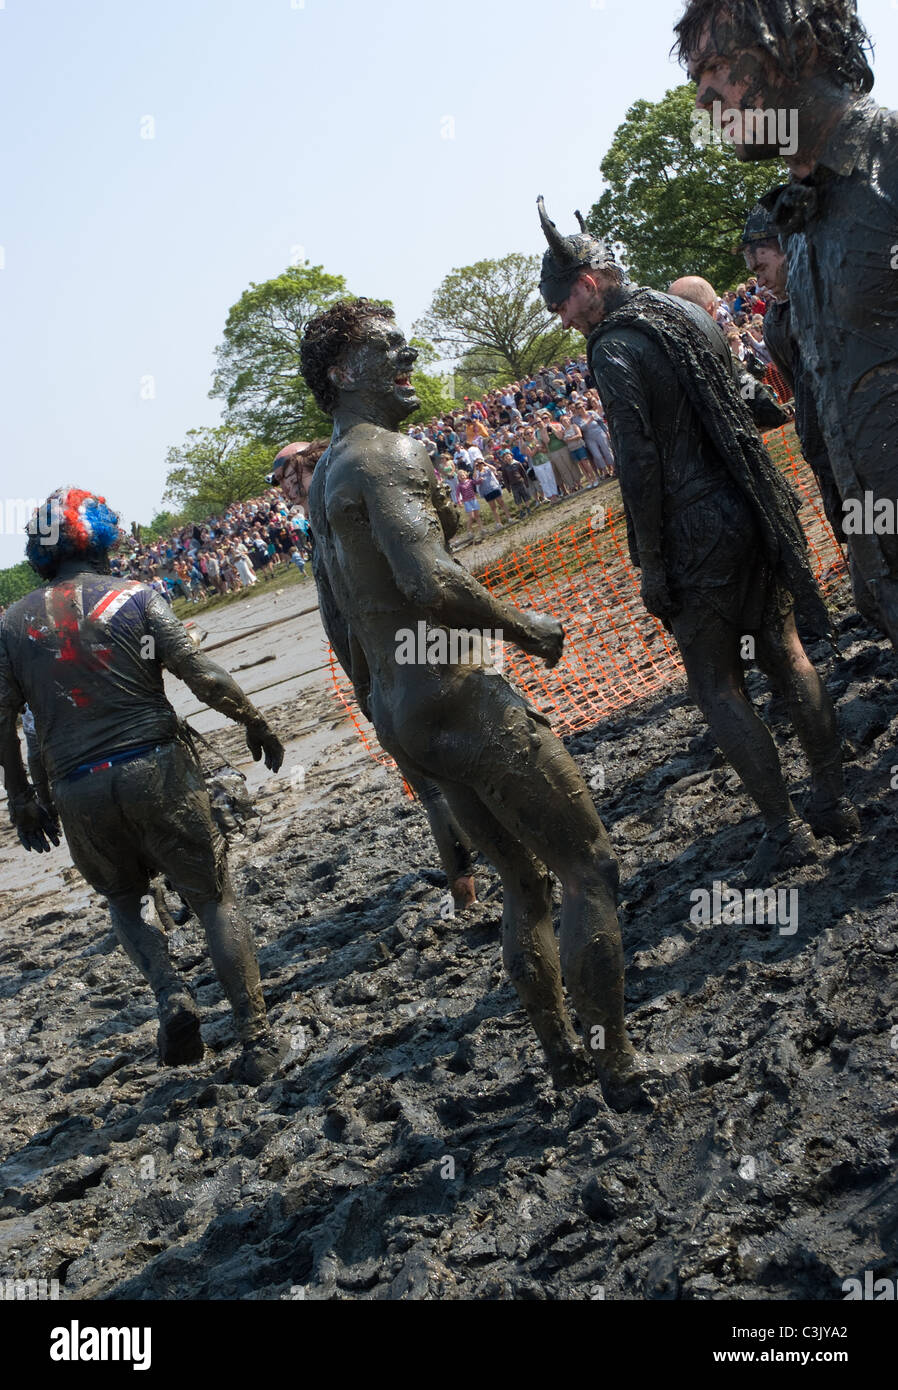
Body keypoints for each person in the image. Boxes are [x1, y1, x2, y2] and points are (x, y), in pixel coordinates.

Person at [299, 298, 689, 1104]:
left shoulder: (326, 476)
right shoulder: (384, 455)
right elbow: (429, 580)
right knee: (589, 866)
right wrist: (524, 624)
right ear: (341, 375)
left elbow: (340, 622)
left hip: (405, 711)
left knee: (522, 884)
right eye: (384, 348)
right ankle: (616, 1059)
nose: (408, 352)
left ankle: (561, 1060)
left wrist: (386, 715)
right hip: (459, 695)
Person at [538, 196, 858, 874]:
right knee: (786, 652)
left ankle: (788, 829)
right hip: (755, 500)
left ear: (588, 284)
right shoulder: (684, 308)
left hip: (695, 526)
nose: (562, 320)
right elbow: (754, 397)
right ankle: (834, 799)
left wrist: (650, 559)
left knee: (717, 685)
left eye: (561, 305)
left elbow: (640, 460)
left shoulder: (615, 345)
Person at [0, 487, 286, 1084]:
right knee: (212, 898)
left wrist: (21, 797)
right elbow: (200, 673)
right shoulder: (135, 599)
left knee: (125, 900)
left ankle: (171, 995)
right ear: (102, 537)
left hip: (74, 787)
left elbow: (3, 720)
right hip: (155, 768)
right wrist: (254, 721)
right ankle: (256, 1041)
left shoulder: (14, 624)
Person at [674, 0, 898, 651]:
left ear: (796, 47)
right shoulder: (798, 228)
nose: (705, 101)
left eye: (717, 68)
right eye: (696, 80)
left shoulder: (890, 159)